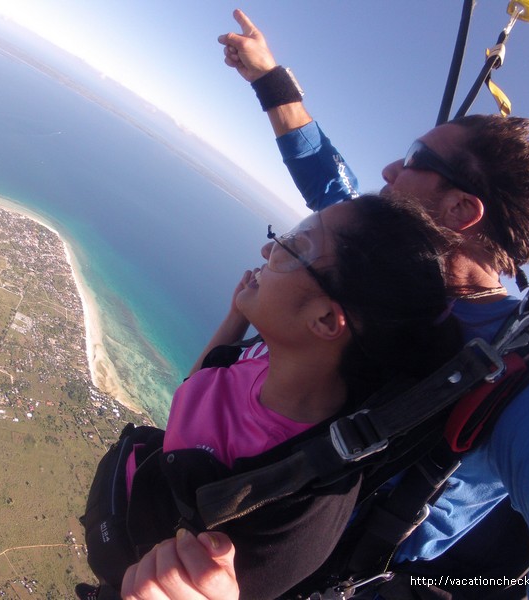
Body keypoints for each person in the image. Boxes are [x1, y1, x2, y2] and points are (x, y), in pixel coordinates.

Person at [117, 9, 529, 600]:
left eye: (416, 157)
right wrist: (270, 79)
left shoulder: (523, 366)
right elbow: (332, 188)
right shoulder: (387, 261)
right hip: (214, 499)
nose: (390, 168)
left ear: (462, 213)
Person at [80, 195, 463, 600]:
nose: (268, 249)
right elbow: (200, 392)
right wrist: (236, 315)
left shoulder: (295, 496)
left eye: (294, 248)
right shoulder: (271, 354)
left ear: (325, 320)